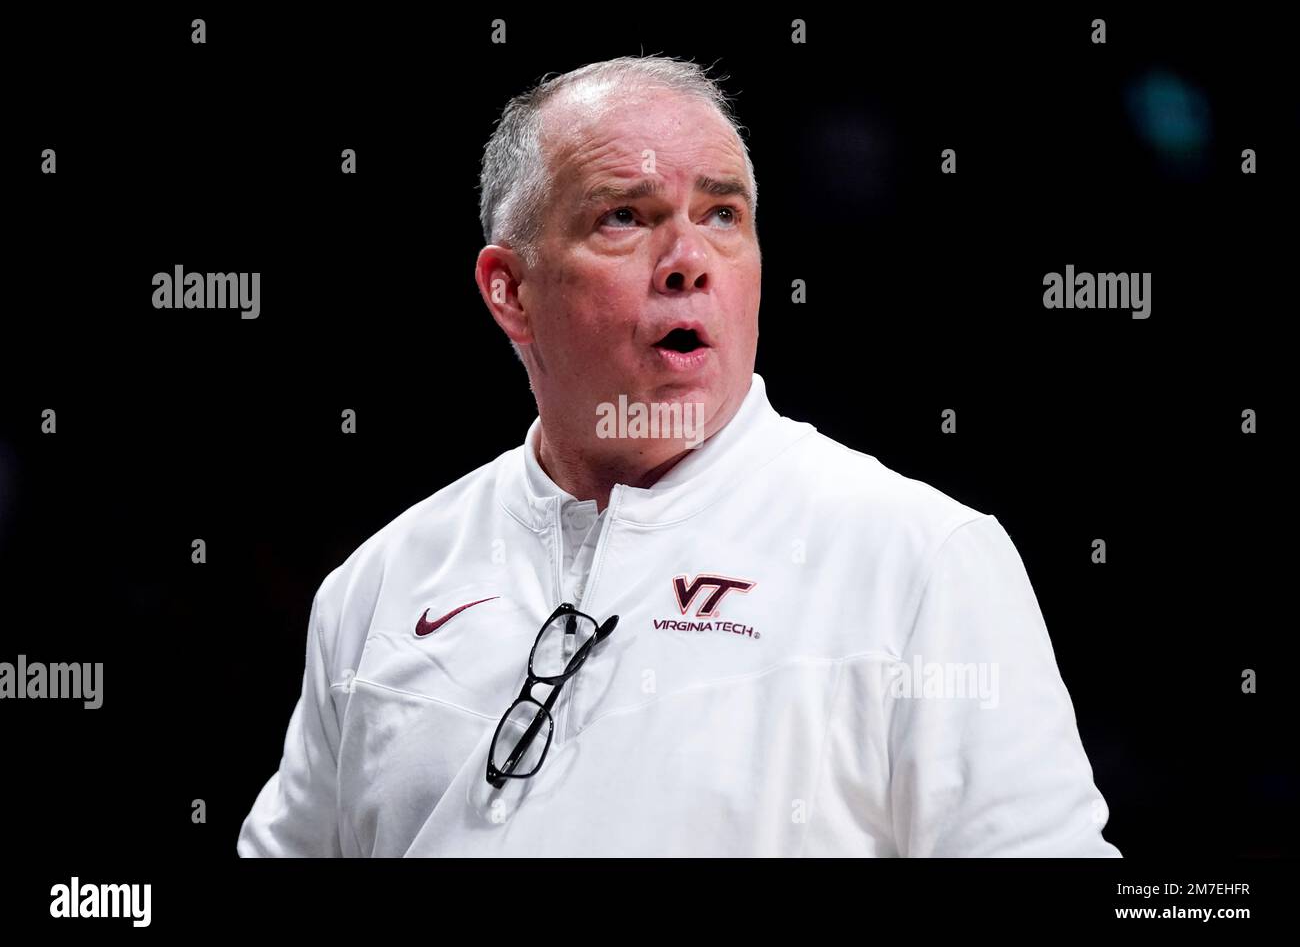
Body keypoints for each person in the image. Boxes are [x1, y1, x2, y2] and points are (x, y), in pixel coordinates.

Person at [237, 55, 1121, 857]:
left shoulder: (921, 561)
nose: (688, 261)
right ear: (511, 292)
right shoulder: (379, 585)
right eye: (627, 216)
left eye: (723, 215)